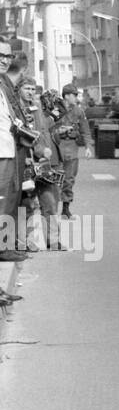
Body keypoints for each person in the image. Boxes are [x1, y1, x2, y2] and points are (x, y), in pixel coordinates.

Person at [0, 36, 27, 280]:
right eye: (0, 56)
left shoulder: (3, 83)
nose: (4, 60)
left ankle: (4, 246)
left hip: (8, 149)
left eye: (7, 56)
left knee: (8, 200)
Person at [50, 84, 91, 219]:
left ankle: (65, 209)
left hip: (72, 147)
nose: (76, 98)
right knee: (54, 179)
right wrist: (58, 130)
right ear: (67, 95)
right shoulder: (55, 110)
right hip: (57, 146)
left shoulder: (79, 111)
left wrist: (88, 147)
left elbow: (85, 130)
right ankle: (52, 210)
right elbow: (48, 128)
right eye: (74, 95)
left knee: (69, 179)